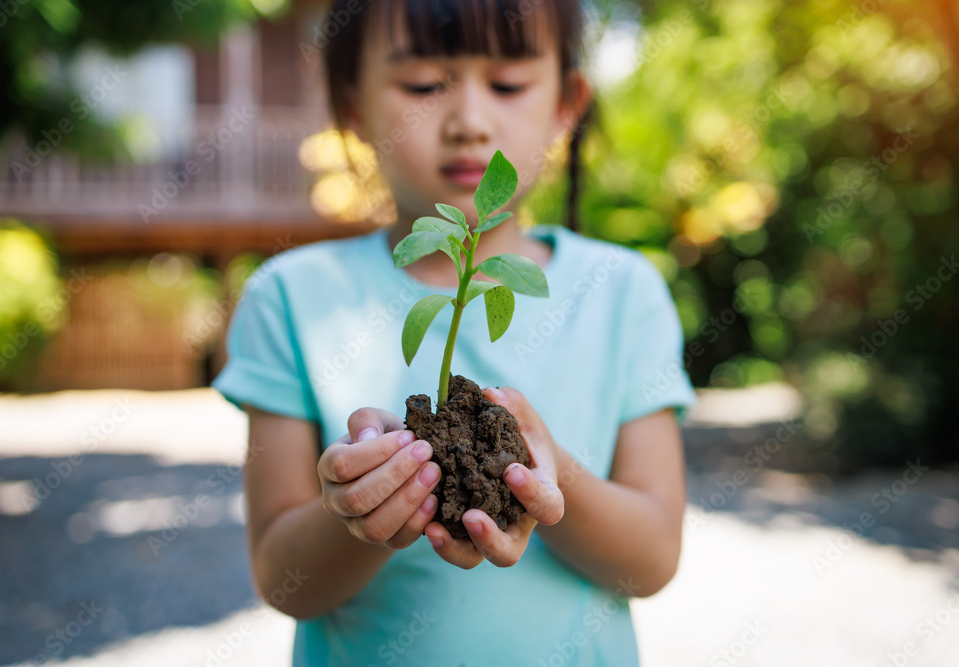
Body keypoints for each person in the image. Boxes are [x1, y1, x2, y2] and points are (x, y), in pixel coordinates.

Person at [211, 0, 697, 664]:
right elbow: (282, 578)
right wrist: (355, 512)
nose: (469, 121)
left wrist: (545, 478)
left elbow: (652, 558)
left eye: (507, 84)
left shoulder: (623, 292)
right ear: (352, 105)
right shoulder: (290, 297)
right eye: (422, 85)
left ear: (566, 103)